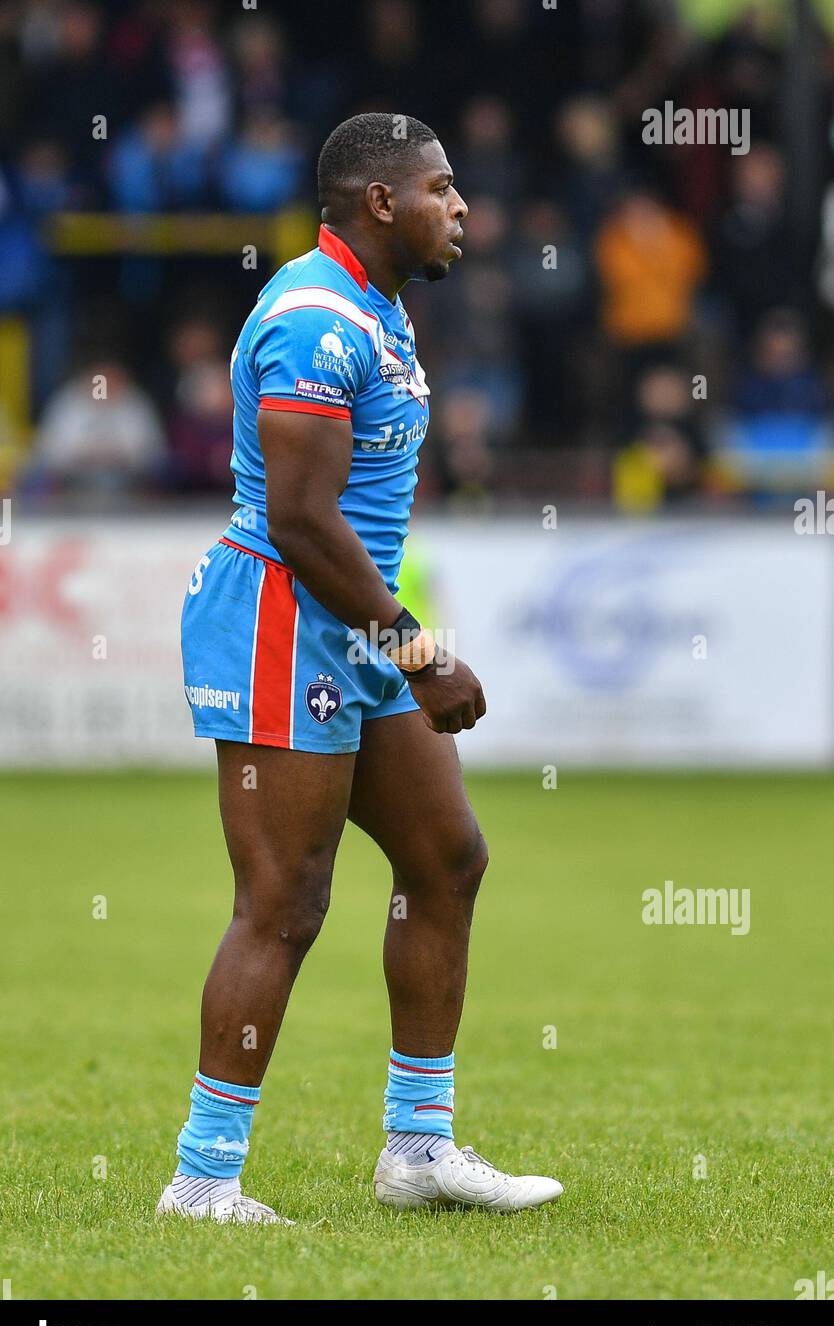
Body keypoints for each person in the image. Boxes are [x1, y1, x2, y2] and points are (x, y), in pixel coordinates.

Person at [158, 112, 563, 1223]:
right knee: (284, 900)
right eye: (441, 190)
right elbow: (297, 517)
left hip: (351, 619)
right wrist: (415, 645)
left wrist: (391, 636)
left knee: (446, 858)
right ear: (380, 201)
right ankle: (202, 1178)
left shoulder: (378, 309)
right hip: (289, 619)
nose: (462, 209)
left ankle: (417, 1148)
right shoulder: (312, 319)